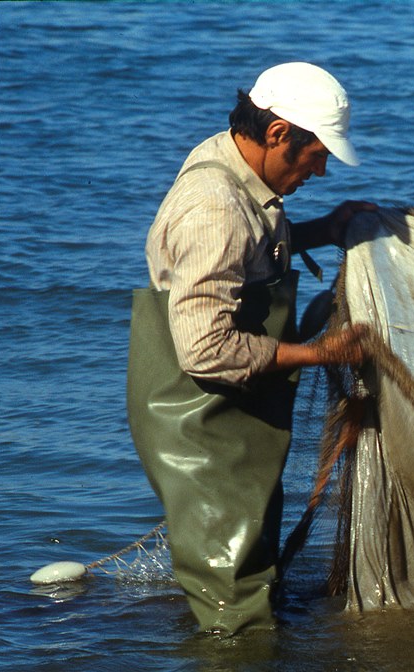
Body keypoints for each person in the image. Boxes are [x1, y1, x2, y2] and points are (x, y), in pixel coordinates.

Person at [127, 62, 374, 635]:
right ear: (279, 132)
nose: (322, 170)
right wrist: (322, 353)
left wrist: (322, 228)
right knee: (234, 609)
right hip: (201, 424)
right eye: (315, 155)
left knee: (256, 565)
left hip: (234, 417)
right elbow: (206, 349)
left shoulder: (234, 161)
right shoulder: (215, 207)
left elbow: (252, 245)